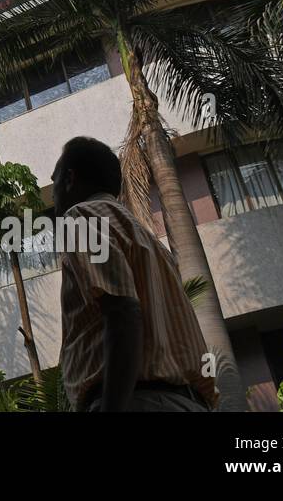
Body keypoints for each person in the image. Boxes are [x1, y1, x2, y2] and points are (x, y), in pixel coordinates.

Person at [52, 136, 218, 412]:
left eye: (54, 180)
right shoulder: (148, 241)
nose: (54, 193)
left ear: (70, 178)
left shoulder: (82, 216)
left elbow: (122, 309)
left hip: (136, 402)